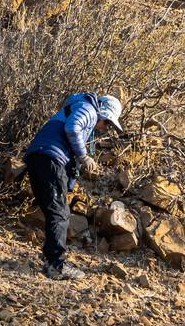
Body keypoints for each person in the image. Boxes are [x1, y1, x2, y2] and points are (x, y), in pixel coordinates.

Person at [25, 92, 124, 280]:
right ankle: (56, 265)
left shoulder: (77, 106)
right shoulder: (89, 109)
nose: (106, 129)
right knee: (59, 213)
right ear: (103, 112)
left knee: (54, 211)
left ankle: (50, 259)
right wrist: (83, 156)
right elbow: (72, 127)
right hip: (51, 158)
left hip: (39, 156)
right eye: (108, 123)